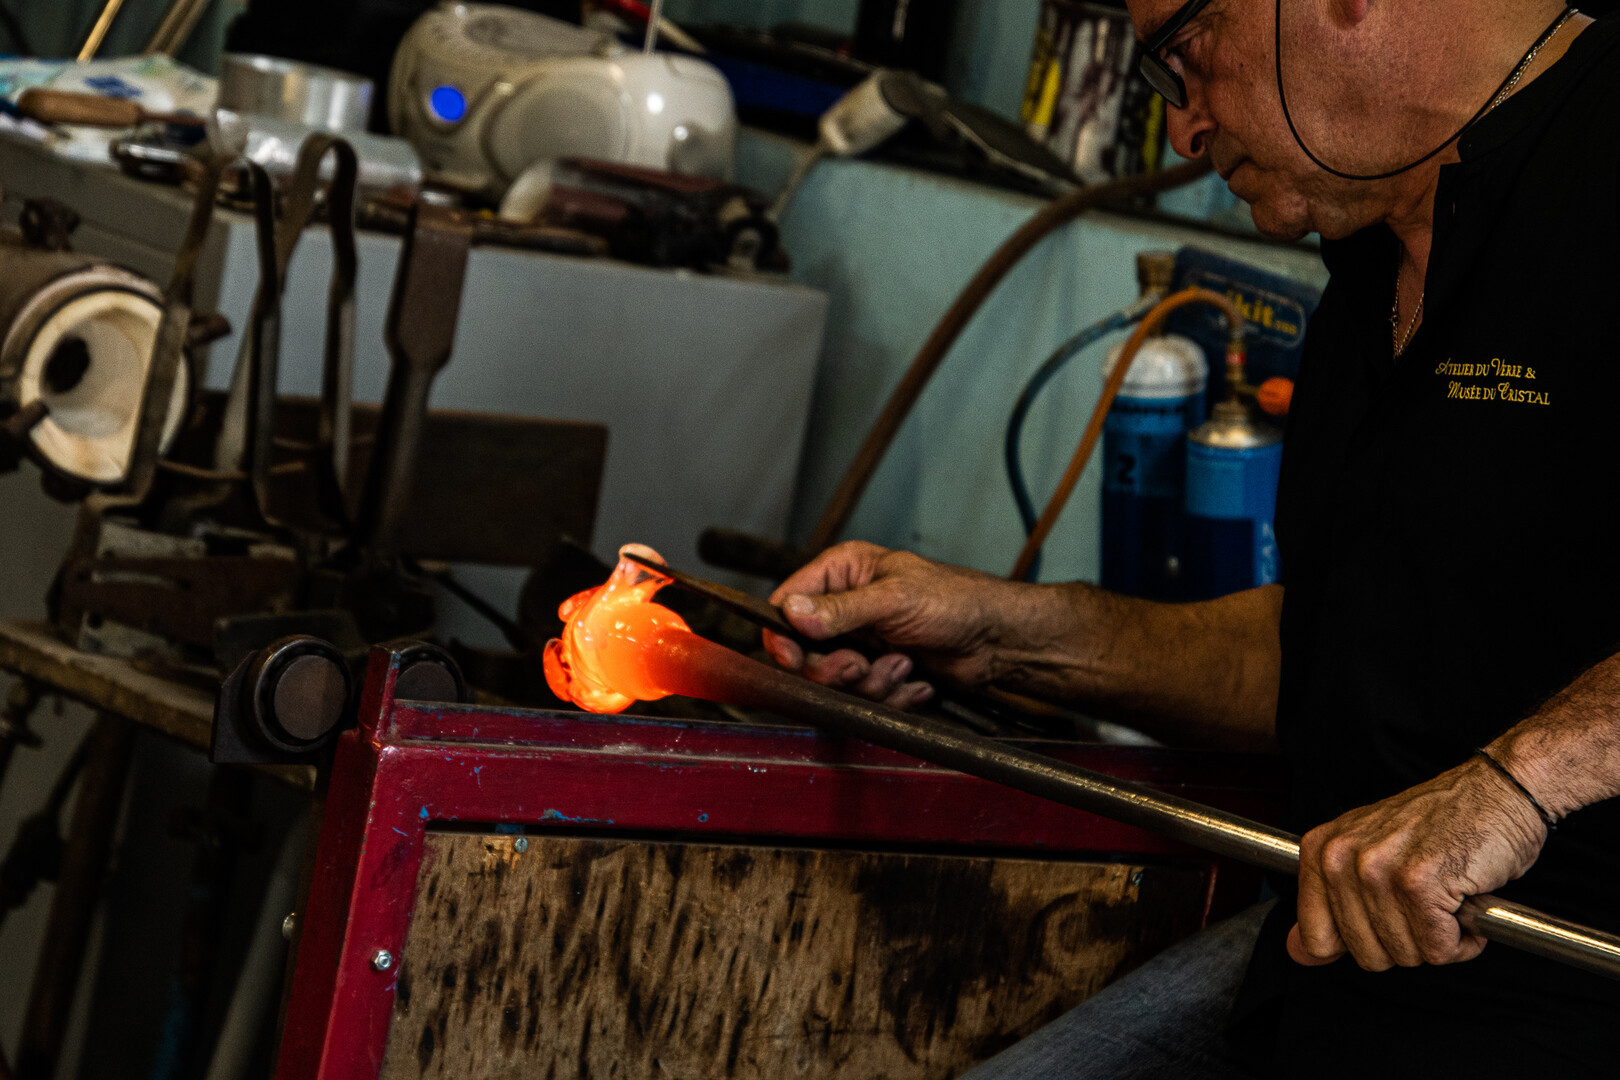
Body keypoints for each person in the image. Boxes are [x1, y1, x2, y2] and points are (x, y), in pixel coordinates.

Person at [763, 1, 1620, 1075]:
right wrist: (997, 635)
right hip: (1327, 979)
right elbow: (1327, 658)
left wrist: (1518, 783)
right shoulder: (1371, 253)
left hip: (1570, 1000)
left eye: (1183, 58)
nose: (1183, 129)